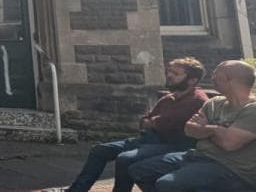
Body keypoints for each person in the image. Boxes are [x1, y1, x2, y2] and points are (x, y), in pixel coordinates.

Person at [63, 58, 208, 192]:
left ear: (192, 80)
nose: (169, 75)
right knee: (99, 150)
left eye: (175, 73)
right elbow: (145, 121)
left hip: (173, 144)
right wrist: (153, 122)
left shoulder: (196, 100)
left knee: (125, 158)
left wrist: (154, 122)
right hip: (149, 139)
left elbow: (166, 124)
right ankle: (77, 190)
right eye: (169, 71)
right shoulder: (169, 98)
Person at [130, 60, 256, 191]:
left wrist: (205, 128)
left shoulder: (252, 109)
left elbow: (229, 143)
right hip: (198, 156)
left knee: (167, 184)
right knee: (139, 171)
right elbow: (189, 129)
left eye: (216, 74)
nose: (212, 78)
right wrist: (218, 131)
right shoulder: (214, 102)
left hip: (230, 168)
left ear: (230, 78)